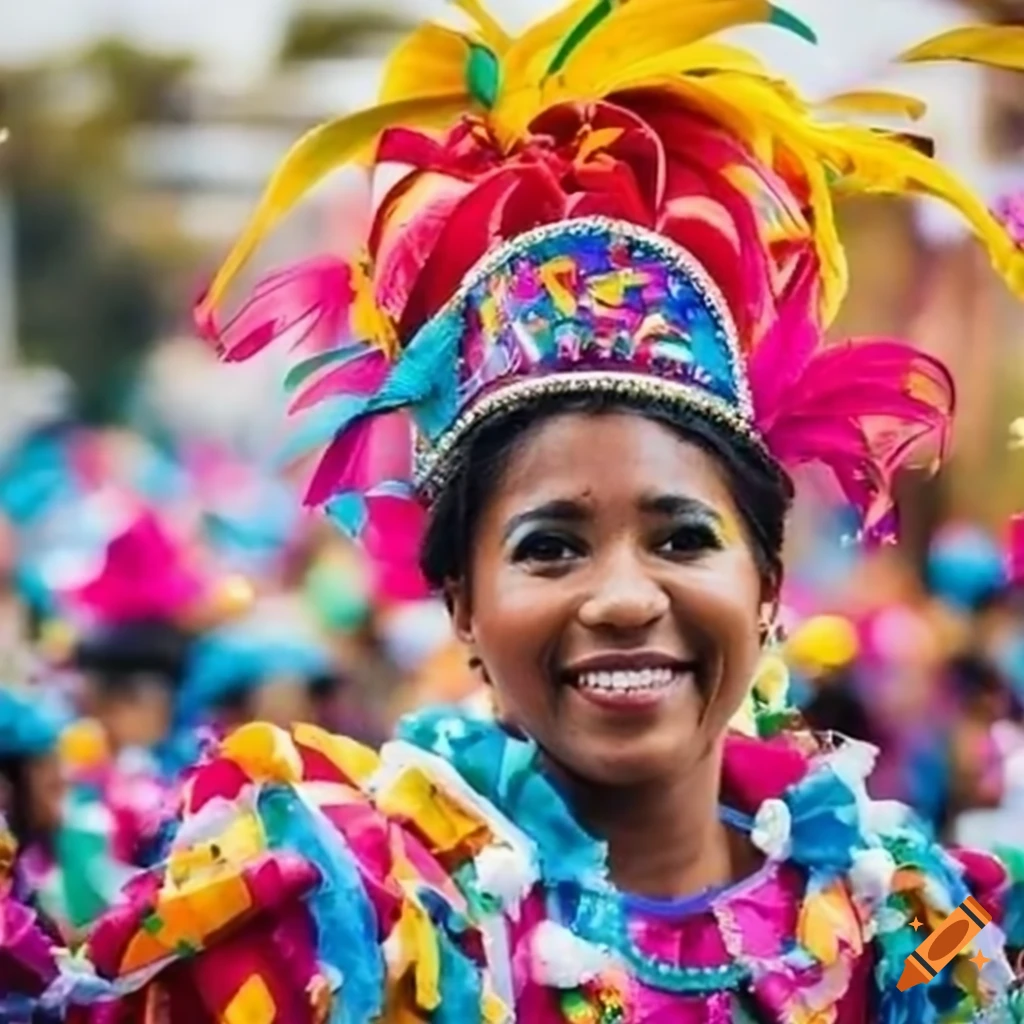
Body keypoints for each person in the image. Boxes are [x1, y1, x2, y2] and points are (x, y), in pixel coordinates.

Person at [17, 2, 1024, 1021]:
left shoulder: (907, 938)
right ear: (461, 602)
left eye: (682, 537)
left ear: (766, 582)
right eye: (550, 548)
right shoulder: (330, 934)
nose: (626, 596)